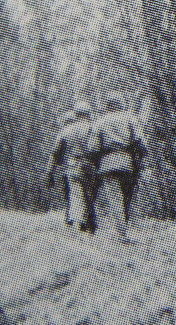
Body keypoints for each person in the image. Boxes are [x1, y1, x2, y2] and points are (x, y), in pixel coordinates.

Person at [86, 91, 147, 242]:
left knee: (115, 199)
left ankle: (122, 233)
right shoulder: (130, 118)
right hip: (128, 164)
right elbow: (140, 141)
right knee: (127, 197)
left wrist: (96, 162)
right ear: (121, 104)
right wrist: (142, 156)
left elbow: (92, 148)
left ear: (108, 106)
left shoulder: (99, 122)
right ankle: (124, 230)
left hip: (107, 164)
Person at [47, 102, 96, 233]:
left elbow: (55, 153)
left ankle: (77, 222)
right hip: (91, 166)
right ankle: (88, 223)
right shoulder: (94, 128)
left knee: (76, 194)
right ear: (88, 114)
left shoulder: (66, 130)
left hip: (73, 165)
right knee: (89, 195)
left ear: (76, 114)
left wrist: (49, 172)